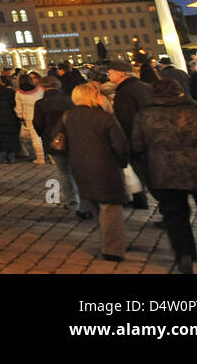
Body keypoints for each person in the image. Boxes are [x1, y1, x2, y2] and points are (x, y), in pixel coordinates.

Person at [131, 78, 197, 273]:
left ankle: (184, 255)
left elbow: (137, 146)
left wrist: (151, 167)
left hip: (165, 172)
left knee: (175, 217)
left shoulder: (143, 115)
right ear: (179, 91)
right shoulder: (196, 111)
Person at [52, 82, 129, 261]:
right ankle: (113, 249)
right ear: (94, 96)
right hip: (106, 167)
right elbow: (120, 145)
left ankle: (107, 241)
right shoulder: (105, 117)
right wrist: (123, 163)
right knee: (110, 209)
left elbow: (57, 140)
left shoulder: (68, 115)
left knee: (96, 206)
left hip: (80, 166)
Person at [105, 60, 153, 209]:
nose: (108, 75)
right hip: (152, 135)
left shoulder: (124, 93)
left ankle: (167, 210)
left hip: (138, 139)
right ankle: (142, 200)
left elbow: (126, 120)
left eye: (110, 72)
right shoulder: (144, 87)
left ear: (120, 73)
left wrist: (127, 143)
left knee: (146, 173)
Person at [33, 77, 81, 213]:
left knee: (64, 172)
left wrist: (45, 135)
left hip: (53, 141)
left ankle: (72, 202)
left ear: (43, 87)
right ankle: (84, 201)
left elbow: (37, 124)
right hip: (74, 139)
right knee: (78, 171)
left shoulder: (41, 103)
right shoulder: (69, 100)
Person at [14, 74, 46, 164]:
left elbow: (18, 108)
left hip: (29, 117)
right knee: (46, 136)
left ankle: (40, 158)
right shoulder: (39, 89)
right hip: (42, 114)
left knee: (35, 138)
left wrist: (20, 116)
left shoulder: (19, 93)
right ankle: (52, 157)